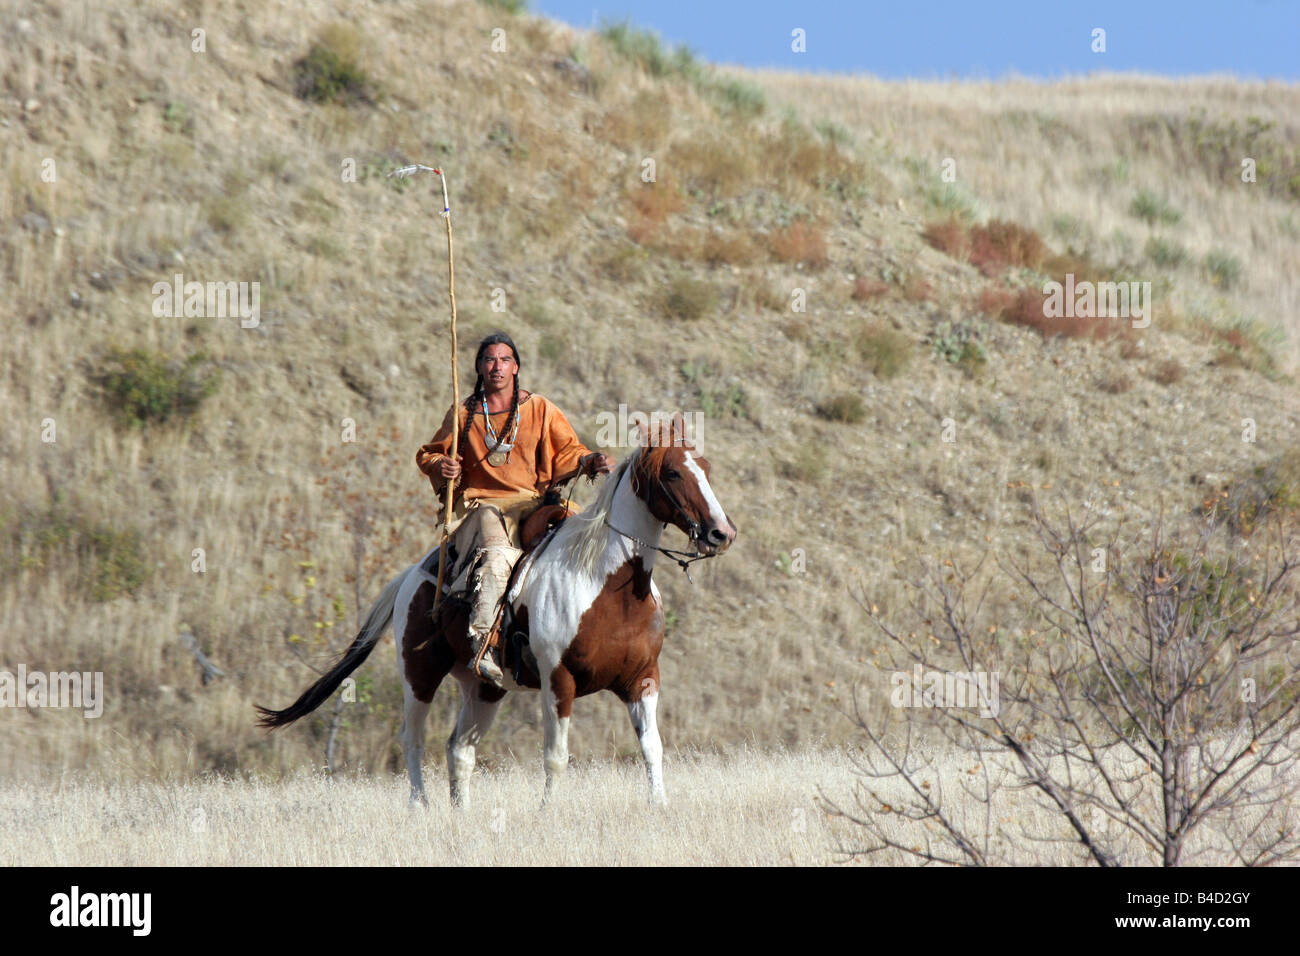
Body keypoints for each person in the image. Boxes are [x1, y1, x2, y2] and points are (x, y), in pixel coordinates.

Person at [416, 332, 613, 686]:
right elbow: (430, 452)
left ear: (516, 366)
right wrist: (441, 466)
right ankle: (481, 642)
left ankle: (594, 630)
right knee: (497, 556)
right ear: (478, 367)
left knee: (590, 533)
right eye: (489, 359)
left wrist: (589, 460)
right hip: (482, 505)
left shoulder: (539, 408)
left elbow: (567, 449)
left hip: (534, 501)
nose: (497, 366)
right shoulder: (464, 412)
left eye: (504, 359)